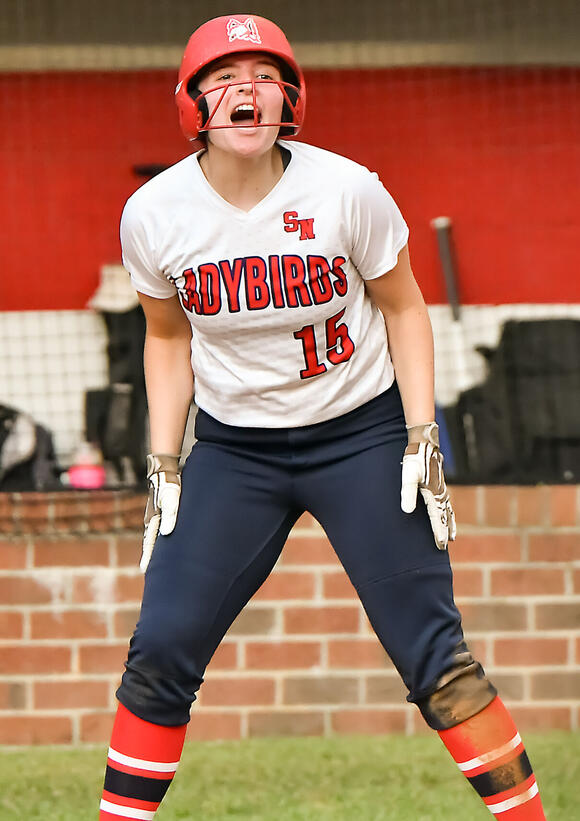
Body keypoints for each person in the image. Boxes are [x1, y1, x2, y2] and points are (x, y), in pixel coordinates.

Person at [99, 14, 546, 820]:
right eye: (224, 76)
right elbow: (166, 338)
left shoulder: (347, 188)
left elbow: (406, 311)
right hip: (236, 451)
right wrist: (165, 459)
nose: (246, 89)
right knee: (161, 645)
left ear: (290, 98)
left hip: (361, 434)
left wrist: (420, 432)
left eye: (264, 75)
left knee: (436, 658)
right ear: (192, 101)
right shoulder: (154, 213)